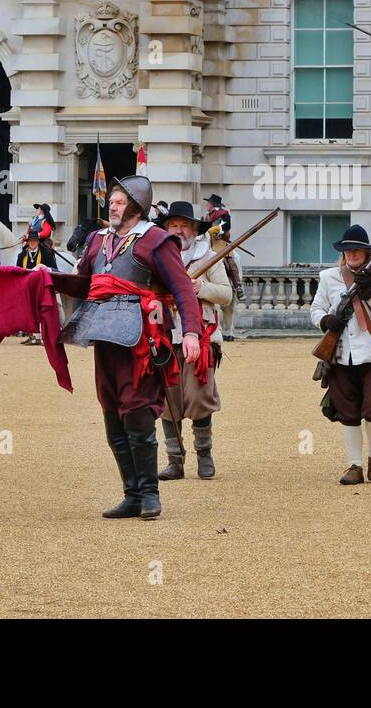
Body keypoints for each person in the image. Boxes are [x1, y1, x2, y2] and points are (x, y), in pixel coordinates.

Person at [58, 176, 201, 521]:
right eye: (112, 201)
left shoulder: (156, 240)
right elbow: (84, 284)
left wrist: (193, 333)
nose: (113, 206)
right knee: (112, 416)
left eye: (120, 202)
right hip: (103, 336)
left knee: (136, 413)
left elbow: (182, 289)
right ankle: (132, 494)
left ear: (136, 207)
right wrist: (44, 282)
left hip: (141, 339)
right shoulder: (96, 240)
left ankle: (150, 495)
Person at [309, 224, 371, 485]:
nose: (352, 254)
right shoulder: (329, 277)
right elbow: (316, 309)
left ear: (366, 252)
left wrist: (370, 293)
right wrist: (326, 321)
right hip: (340, 354)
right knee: (347, 412)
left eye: (357, 250)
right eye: (348, 250)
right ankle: (355, 465)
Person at [155, 201, 232, 481]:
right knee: (168, 399)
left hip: (202, 337)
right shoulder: (157, 259)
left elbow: (226, 295)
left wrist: (201, 288)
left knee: (199, 397)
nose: (179, 230)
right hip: (165, 336)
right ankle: (175, 460)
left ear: (193, 229)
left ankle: (204, 455)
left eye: (184, 225)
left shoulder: (209, 257)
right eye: (173, 225)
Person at [203, 193, 244, 339]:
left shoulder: (224, 214)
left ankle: (237, 284)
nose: (206, 204)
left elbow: (226, 227)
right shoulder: (208, 216)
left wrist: (215, 230)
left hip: (221, 244)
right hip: (209, 244)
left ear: (212, 203)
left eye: (208, 202)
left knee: (230, 260)